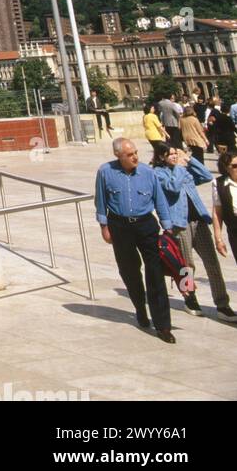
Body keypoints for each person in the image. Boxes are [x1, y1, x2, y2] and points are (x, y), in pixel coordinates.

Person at [94, 137, 175, 341]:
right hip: (120, 226)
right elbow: (101, 200)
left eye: (136, 153)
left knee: (155, 272)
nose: (135, 157)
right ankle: (140, 307)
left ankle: (163, 325)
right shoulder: (106, 172)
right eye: (129, 155)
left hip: (145, 224)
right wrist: (104, 226)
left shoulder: (148, 173)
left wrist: (168, 227)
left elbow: (160, 200)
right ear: (118, 155)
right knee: (129, 270)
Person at [150, 143, 236, 320]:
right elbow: (173, 187)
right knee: (186, 265)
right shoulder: (159, 174)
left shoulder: (184, 168)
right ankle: (190, 298)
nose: (174, 156)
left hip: (199, 220)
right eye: (170, 154)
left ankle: (222, 304)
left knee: (212, 263)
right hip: (180, 224)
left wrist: (189, 159)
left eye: (176, 153)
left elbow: (205, 175)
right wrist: (180, 168)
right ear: (161, 157)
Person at [213, 151, 237, 266]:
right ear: (226, 168)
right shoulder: (219, 184)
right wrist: (218, 238)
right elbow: (217, 213)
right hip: (235, 230)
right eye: (235, 166)